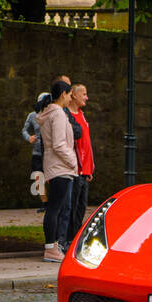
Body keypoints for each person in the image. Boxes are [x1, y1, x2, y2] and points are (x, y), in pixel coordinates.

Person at [36, 81, 78, 262]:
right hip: (61, 167)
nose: (70, 98)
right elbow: (60, 144)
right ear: (63, 94)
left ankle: (51, 247)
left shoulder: (50, 113)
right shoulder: (58, 115)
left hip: (54, 166)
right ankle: (51, 249)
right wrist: (73, 162)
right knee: (55, 209)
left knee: (54, 208)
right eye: (69, 94)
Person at [66, 82, 94, 241]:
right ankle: (71, 237)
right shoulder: (69, 117)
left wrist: (90, 167)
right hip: (76, 168)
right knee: (73, 205)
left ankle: (75, 236)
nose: (86, 97)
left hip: (85, 169)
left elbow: (87, 143)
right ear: (74, 95)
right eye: (83, 94)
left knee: (82, 206)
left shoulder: (82, 115)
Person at [23, 92, 50, 210]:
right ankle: (44, 202)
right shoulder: (32, 115)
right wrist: (29, 137)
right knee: (38, 177)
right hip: (37, 152)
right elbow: (24, 130)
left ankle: (54, 201)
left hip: (50, 152)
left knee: (52, 177)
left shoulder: (53, 115)